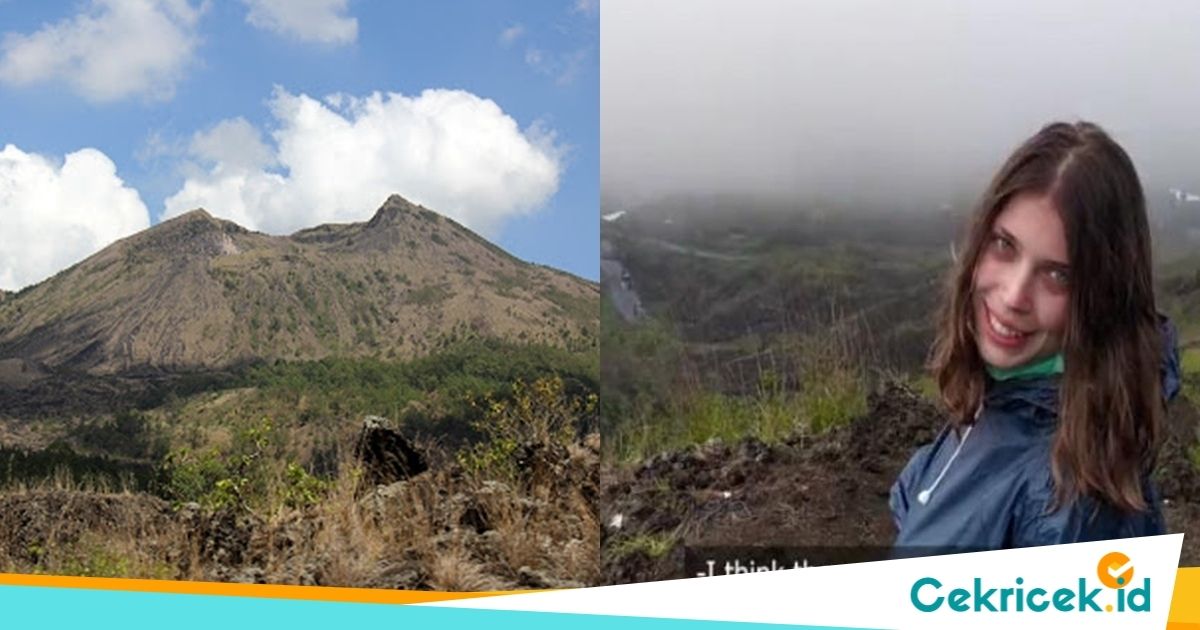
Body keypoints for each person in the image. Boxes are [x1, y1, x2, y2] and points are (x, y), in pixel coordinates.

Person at [889, 121, 1182, 552]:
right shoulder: (1009, 398)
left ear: (1101, 299)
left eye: (1057, 275)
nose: (1013, 296)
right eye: (1004, 245)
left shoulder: (1069, 508)